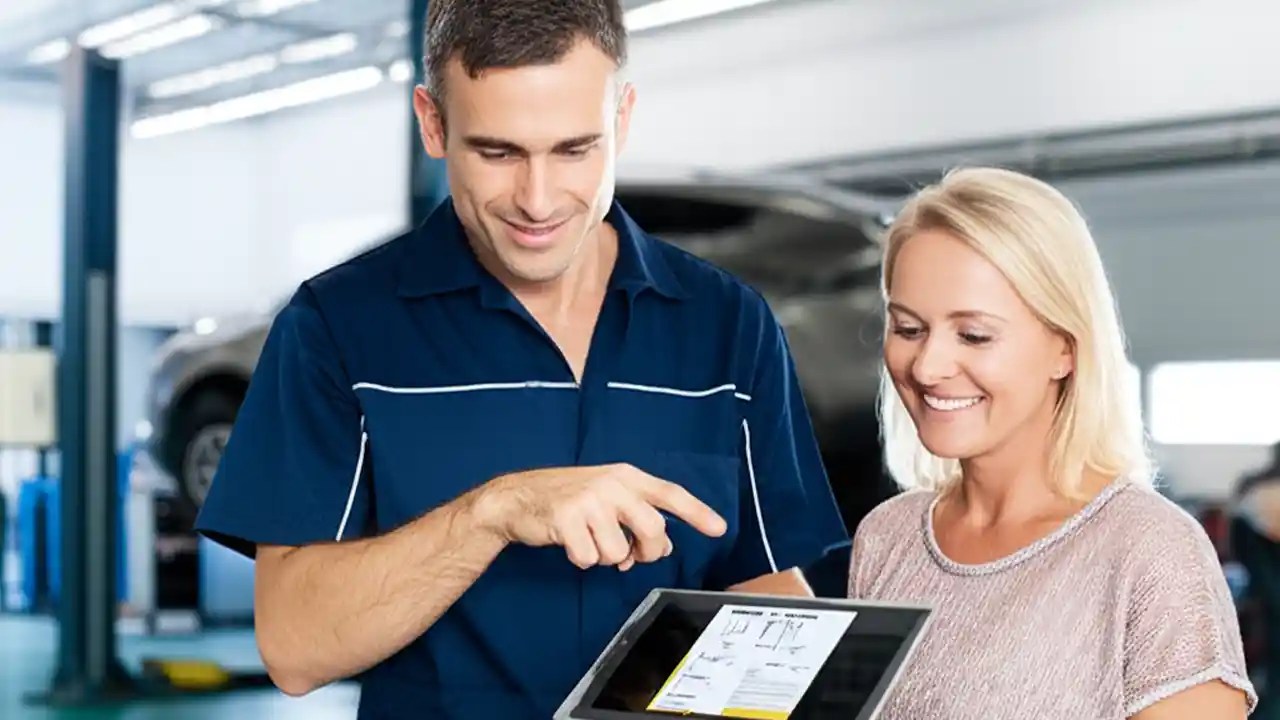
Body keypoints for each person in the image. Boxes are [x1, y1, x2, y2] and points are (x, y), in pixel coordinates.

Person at [193, 1, 848, 718]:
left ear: (622, 120)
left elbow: (761, 584)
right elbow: (294, 645)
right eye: (498, 152)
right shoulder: (337, 329)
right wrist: (494, 513)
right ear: (433, 123)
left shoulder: (729, 325)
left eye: (574, 150)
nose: (538, 202)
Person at [847, 167, 1256, 719]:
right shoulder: (887, 539)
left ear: (1065, 349)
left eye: (974, 335)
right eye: (909, 329)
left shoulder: (1149, 550)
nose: (927, 366)